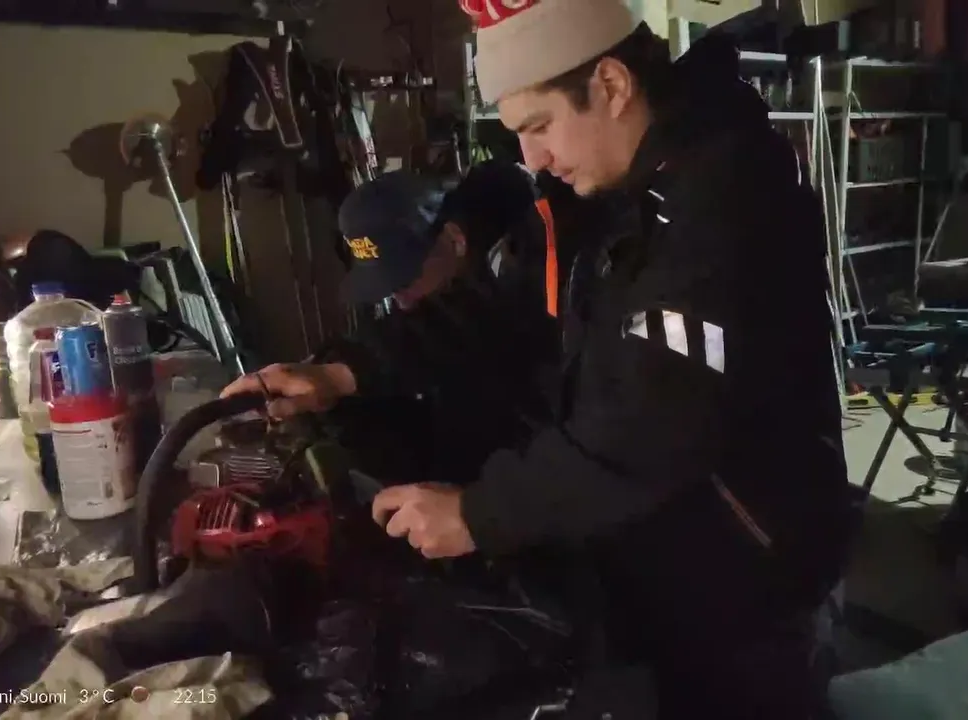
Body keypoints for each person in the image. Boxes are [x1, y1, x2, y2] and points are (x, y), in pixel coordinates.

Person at [369, 1, 853, 718]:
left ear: (612, 84)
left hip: (746, 583)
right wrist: (345, 369)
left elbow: (654, 422)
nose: (531, 157)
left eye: (540, 126)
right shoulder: (606, 192)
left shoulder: (724, 196)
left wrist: (481, 513)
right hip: (654, 557)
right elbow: (496, 314)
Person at [222, 161, 559, 487]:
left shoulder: (531, 260)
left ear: (454, 239)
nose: (403, 302)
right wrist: (339, 409)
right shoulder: (440, 301)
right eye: (390, 289)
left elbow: (460, 328)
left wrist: (339, 373)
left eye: (406, 280)